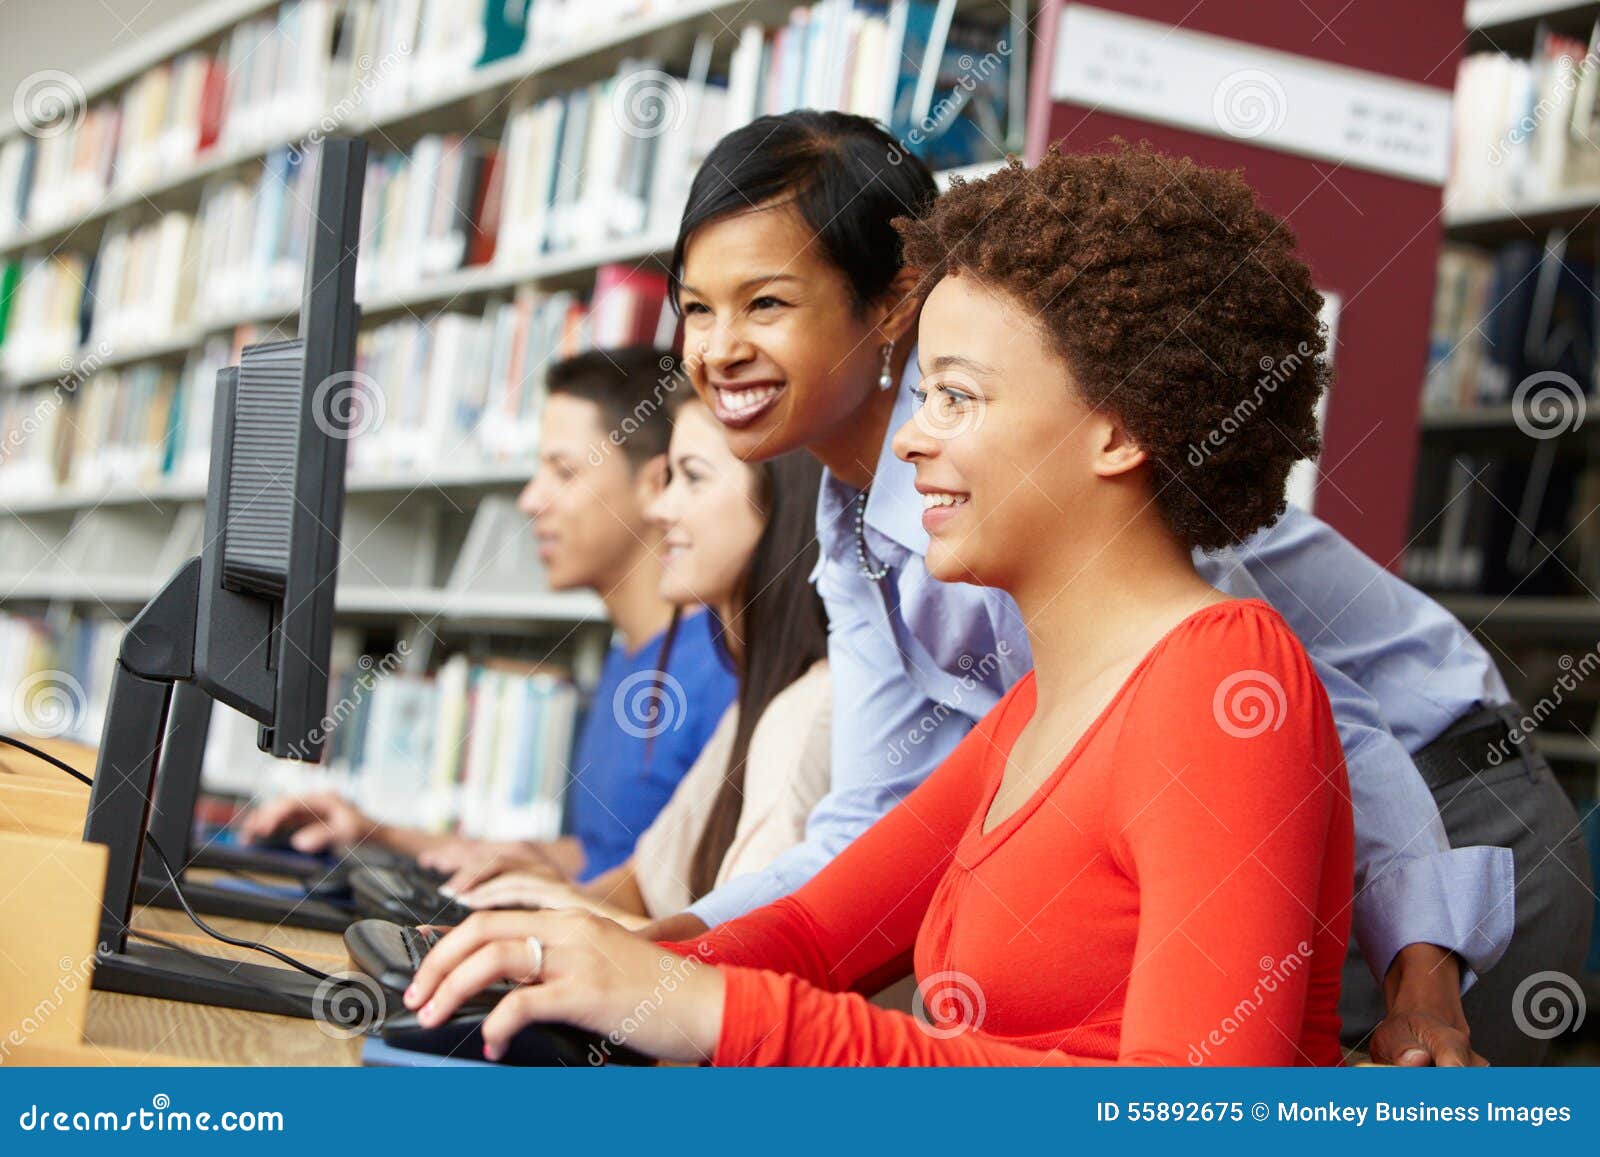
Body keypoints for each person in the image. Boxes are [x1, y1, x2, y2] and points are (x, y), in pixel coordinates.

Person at [647, 110, 1584, 1066]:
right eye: (695, 307)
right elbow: (868, 821)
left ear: (889, 301)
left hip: (1447, 800)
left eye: (764, 303)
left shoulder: (1094, 510)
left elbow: (1330, 727)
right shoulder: (873, 526)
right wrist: (638, 961)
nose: (717, 348)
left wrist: (1424, 979)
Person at [401, 142, 1354, 1065]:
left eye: (957, 399)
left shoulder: (1221, 680)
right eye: (922, 394)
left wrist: (719, 1011)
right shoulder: (1038, 707)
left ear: (1120, 429)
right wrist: (582, 966)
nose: (908, 444)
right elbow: (823, 929)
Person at [241, 347, 738, 883]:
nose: (530, 499)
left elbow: (685, 897)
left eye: (563, 471)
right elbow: (607, 855)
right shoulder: (630, 655)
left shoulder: (722, 672)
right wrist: (379, 836)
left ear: (654, 485)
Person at [449, 394, 831, 924]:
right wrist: (552, 901)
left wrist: (563, 918)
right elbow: (646, 881)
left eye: (692, 479)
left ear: (783, 507)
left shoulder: (807, 712)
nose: (657, 509)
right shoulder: (755, 701)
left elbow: (736, 961)